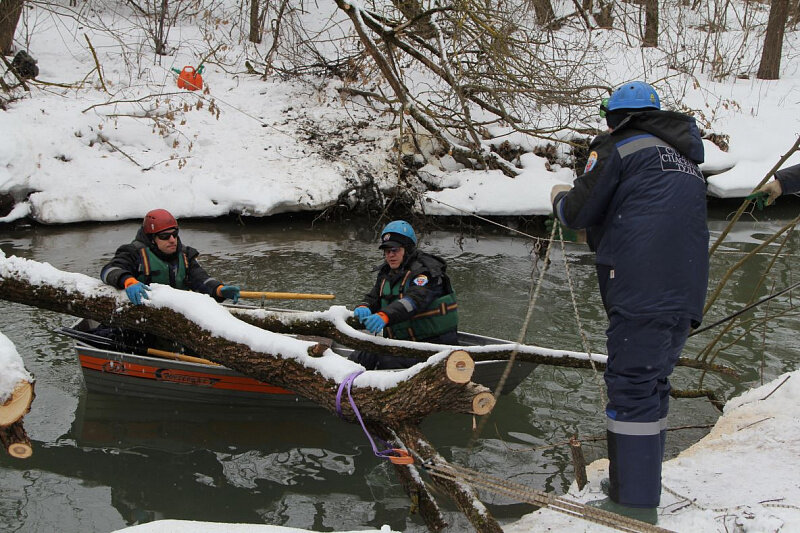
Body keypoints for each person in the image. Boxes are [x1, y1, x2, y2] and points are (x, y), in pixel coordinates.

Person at [551, 81, 709, 521]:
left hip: (642, 293)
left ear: (614, 116)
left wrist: (560, 198)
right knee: (652, 385)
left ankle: (635, 506)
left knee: (631, 388)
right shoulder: (687, 161)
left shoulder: (619, 146)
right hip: (684, 296)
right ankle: (636, 482)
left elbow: (578, 212)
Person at [349, 220, 459, 370]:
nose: (390, 255)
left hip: (433, 346)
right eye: (387, 251)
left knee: (388, 361)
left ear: (407, 249)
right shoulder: (387, 272)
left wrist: (385, 315)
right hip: (404, 343)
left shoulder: (426, 273)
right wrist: (364, 306)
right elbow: (374, 297)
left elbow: (412, 301)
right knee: (362, 356)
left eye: (395, 250)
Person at [101, 208, 240, 305]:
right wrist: (129, 281)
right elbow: (109, 270)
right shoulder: (132, 252)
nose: (172, 240)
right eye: (165, 236)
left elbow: (201, 279)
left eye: (174, 234)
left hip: (176, 317)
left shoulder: (186, 256)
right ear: (152, 239)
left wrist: (219, 290)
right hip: (143, 316)